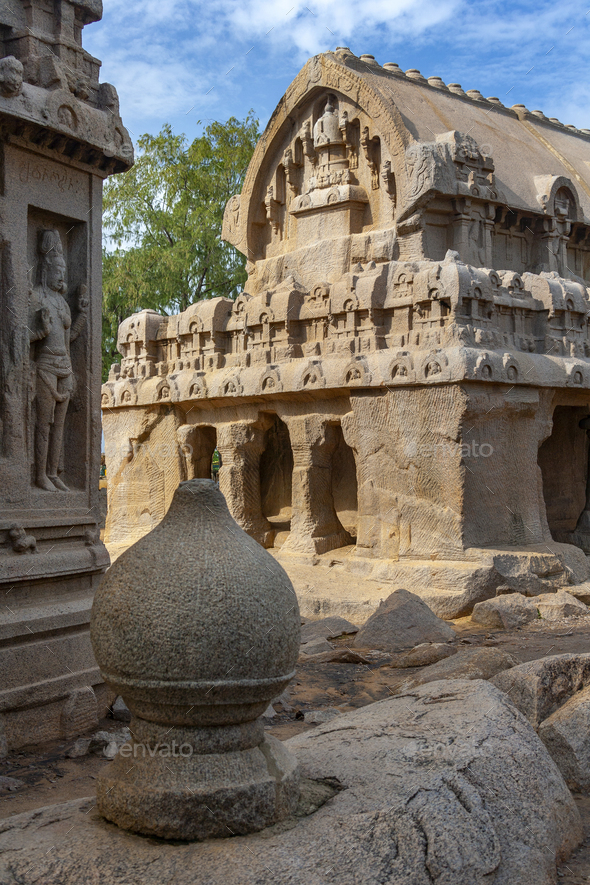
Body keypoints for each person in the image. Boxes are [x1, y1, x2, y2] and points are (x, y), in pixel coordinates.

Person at [28, 229, 87, 491]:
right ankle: (39, 474)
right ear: (46, 269)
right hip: (46, 366)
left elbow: (69, 337)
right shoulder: (36, 297)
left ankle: (53, 472)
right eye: (57, 270)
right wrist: (38, 331)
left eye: (63, 270)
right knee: (44, 423)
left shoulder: (62, 304)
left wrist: (82, 315)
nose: (62, 275)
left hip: (64, 367)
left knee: (59, 426)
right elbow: (22, 336)